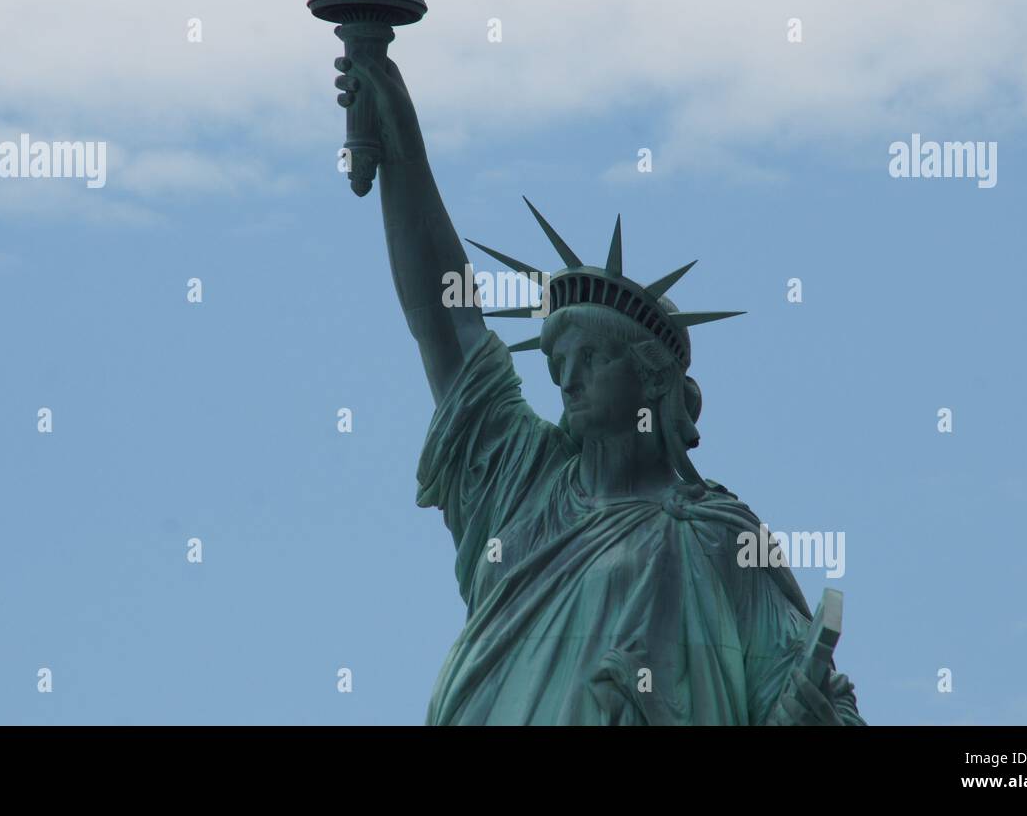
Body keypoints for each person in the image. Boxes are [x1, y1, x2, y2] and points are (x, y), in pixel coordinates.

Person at [332, 51, 865, 725]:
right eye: (557, 360)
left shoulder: (719, 537)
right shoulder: (522, 483)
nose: (566, 375)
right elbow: (448, 321)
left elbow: (799, 697)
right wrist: (403, 151)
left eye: (591, 356)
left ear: (651, 377)